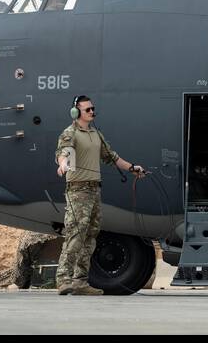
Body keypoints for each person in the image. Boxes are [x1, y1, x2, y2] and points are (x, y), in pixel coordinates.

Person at [54, 95, 145, 295]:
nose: (92, 112)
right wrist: (63, 164)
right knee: (75, 235)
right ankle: (63, 279)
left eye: (93, 109)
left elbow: (111, 157)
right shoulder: (70, 133)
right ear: (76, 112)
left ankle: (80, 281)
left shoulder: (96, 134)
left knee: (90, 237)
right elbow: (64, 153)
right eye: (88, 110)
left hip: (94, 190)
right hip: (78, 191)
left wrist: (132, 168)